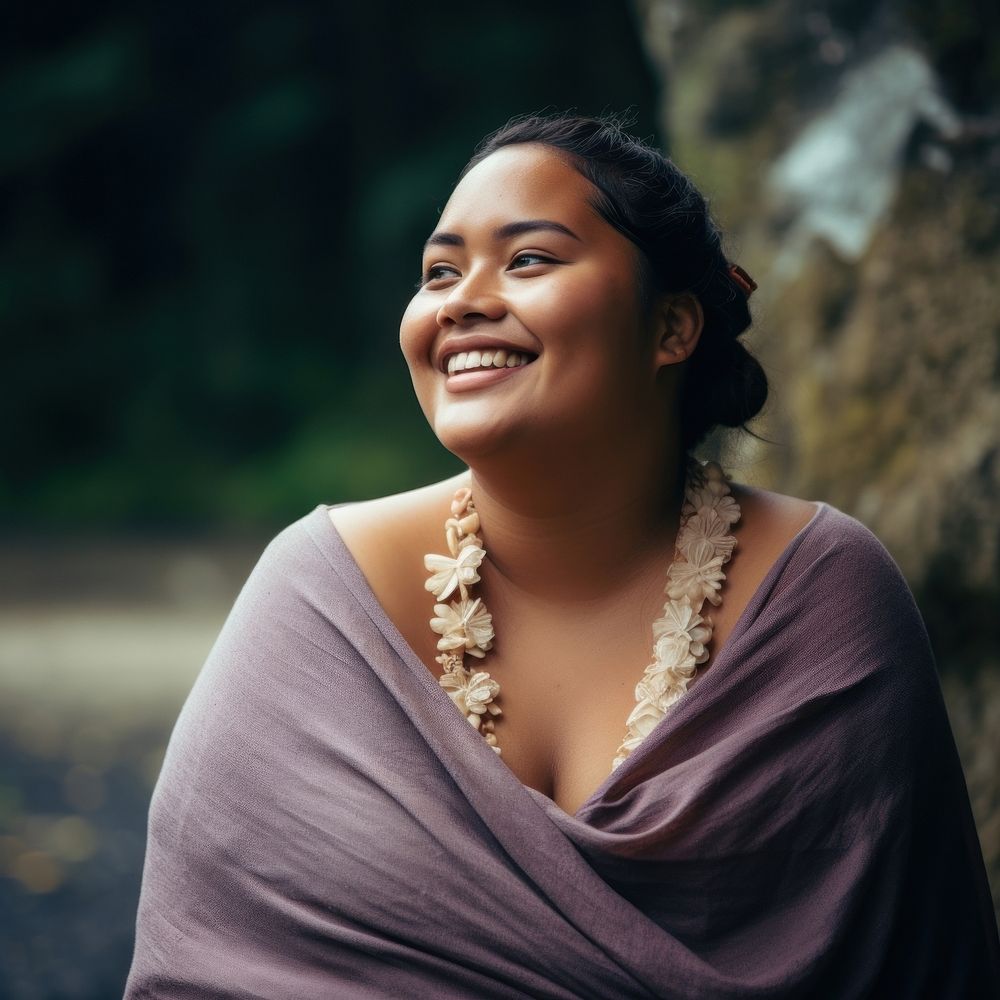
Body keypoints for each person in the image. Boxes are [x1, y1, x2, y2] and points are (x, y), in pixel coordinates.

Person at [125, 113, 1000, 998]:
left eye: (529, 259)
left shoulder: (822, 593)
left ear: (672, 328)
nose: (462, 298)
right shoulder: (319, 593)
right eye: (438, 270)